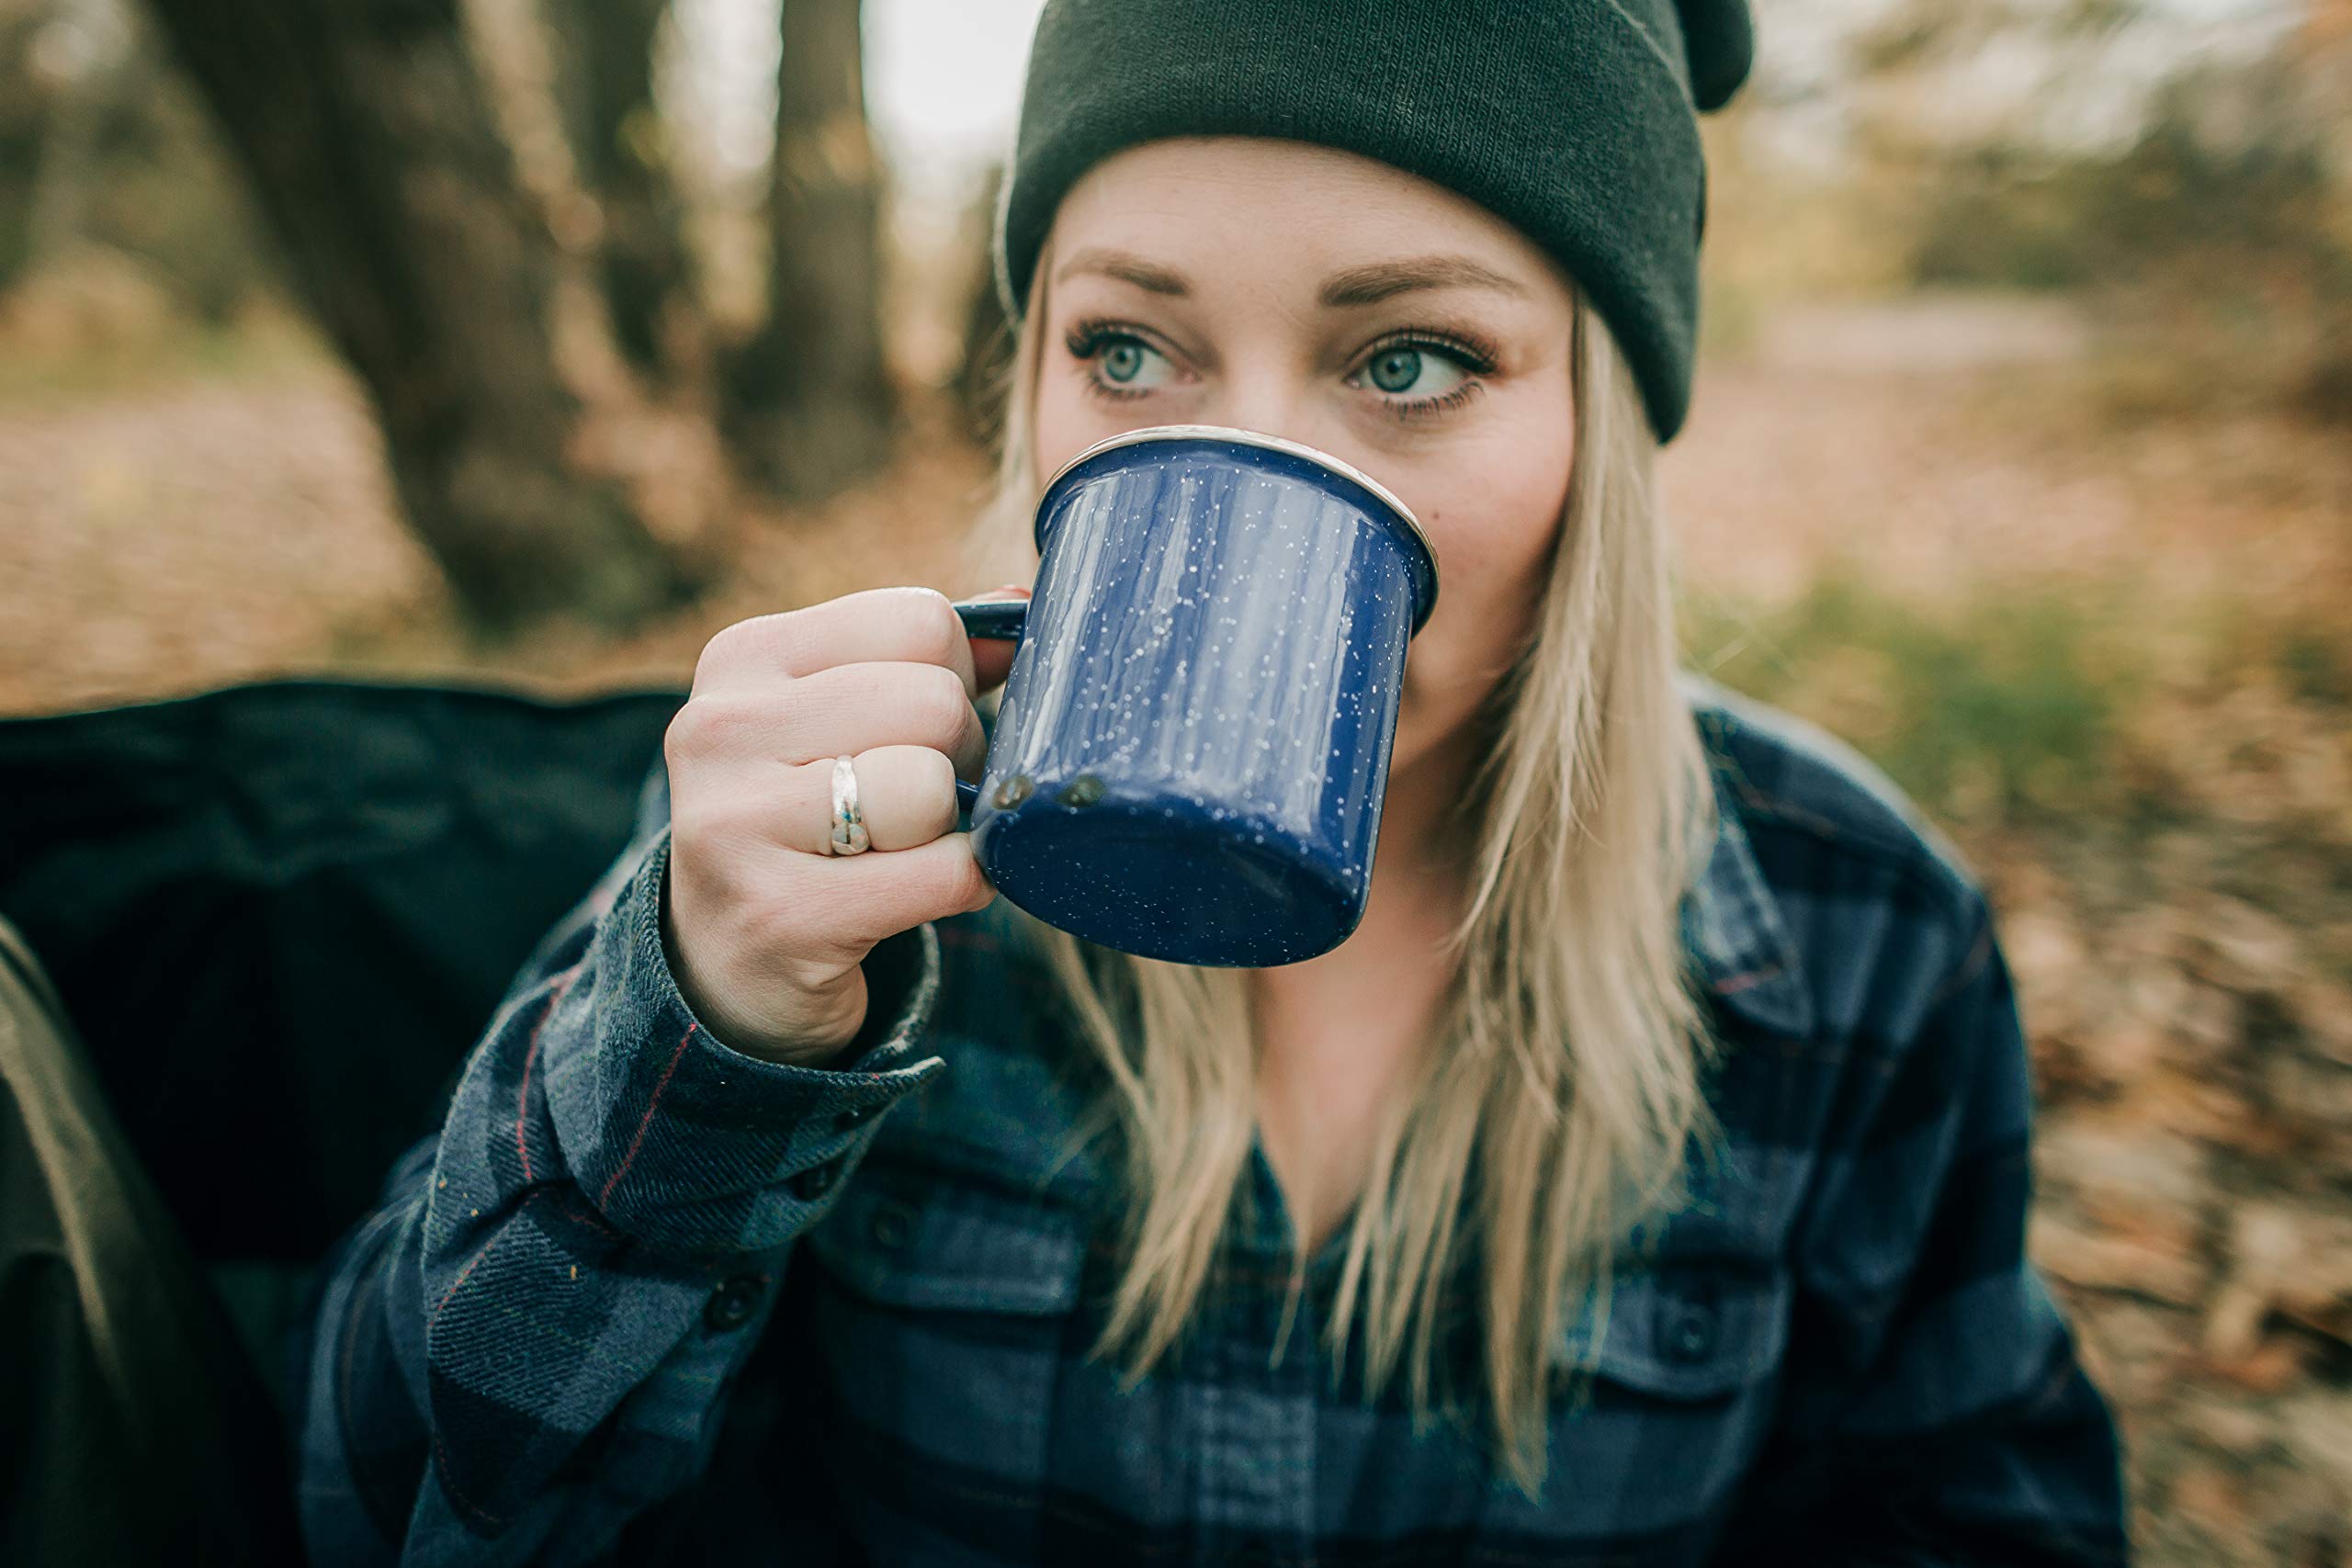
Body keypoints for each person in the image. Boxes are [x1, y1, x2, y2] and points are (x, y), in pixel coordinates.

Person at [295, 2, 2132, 1562]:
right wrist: (700, 1038)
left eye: (1406, 358)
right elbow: (381, 1502)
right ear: (1028, 388)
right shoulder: (824, 875)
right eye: (1126, 348)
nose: (1236, 461)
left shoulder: (1848, 934)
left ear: (1595, 421)